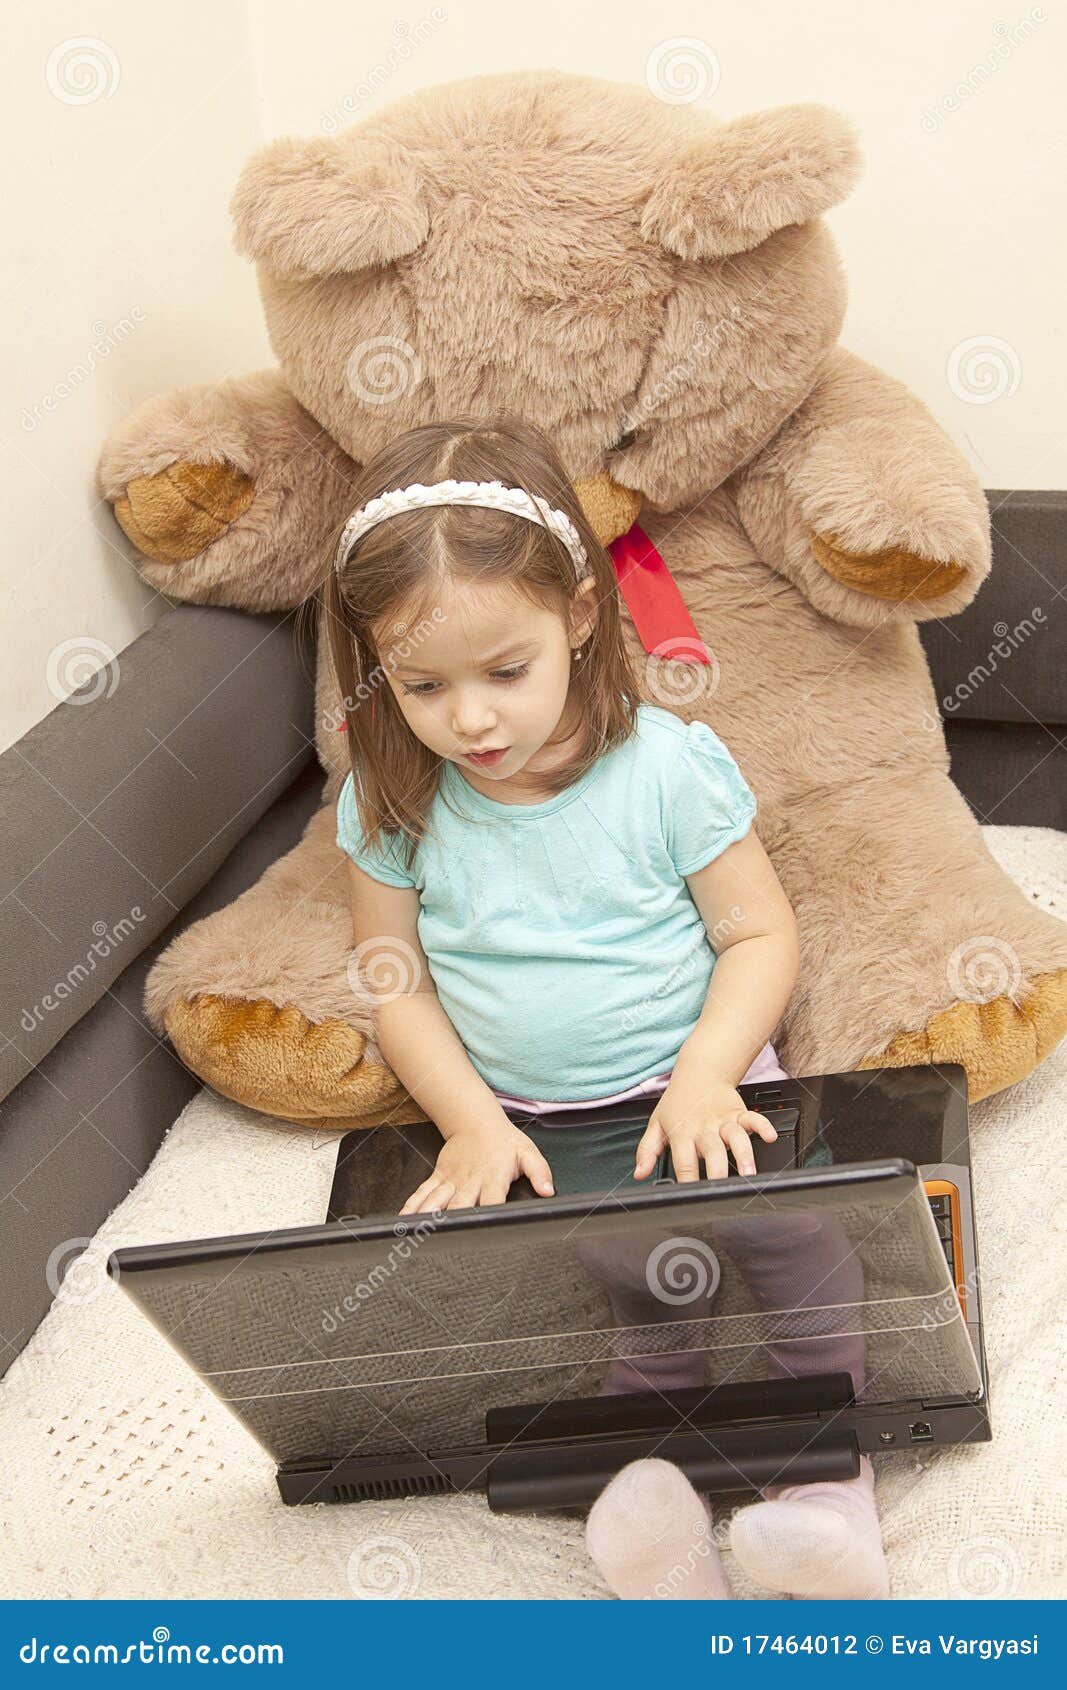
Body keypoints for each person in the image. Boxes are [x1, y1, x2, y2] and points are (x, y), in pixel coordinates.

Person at [318, 412, 888, 1600]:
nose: (468, 719)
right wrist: (472, 1120)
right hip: (533, 1117)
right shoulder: (392, 804)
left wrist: (706, 1073)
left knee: (793, 1243)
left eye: (503, 672)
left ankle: (827, 1490)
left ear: (579, 617)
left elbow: (756, 932)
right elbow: (394, 978)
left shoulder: (664, 767)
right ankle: (657, 1490)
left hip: (700, 1080)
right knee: (632, 1264)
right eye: (422, 685)